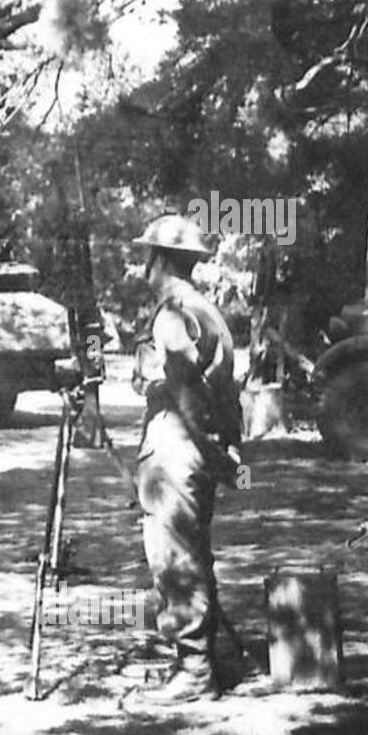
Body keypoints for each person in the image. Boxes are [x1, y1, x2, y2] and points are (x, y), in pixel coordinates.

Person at [131, 214, 242, 702]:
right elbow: (221, 391)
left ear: (159, 260)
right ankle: (201, 660)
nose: (142, 264)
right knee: (193, 555)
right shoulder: (206, 310)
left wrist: (210, 449)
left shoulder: (174, 313)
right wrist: (227, 449)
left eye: (146, 255)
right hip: (194, 452)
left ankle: (195, 672)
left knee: (174, 560)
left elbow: (187, 392)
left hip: (179, 451)